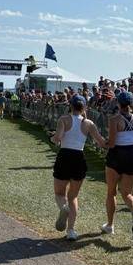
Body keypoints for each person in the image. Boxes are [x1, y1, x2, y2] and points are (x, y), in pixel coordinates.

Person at [50, 95, 106, 241]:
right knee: (73, 196)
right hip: (78, 158)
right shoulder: (89, 123)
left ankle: (63, 208)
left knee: (59, 194)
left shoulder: (64, 119)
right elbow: (101, 141)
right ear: (85, 107)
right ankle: (71, 231)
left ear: (71, 106)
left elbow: (58, 138)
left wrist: (52, 138)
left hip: (64, 157)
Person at [103, 91, 133, 236]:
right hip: (132, 155)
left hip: (116, 155)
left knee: (112, 192)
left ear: (118, 103)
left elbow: (112, 143)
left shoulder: (114, 119)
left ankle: (110, 225)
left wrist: (104, 142)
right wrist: (131, 137)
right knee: (128, 193)